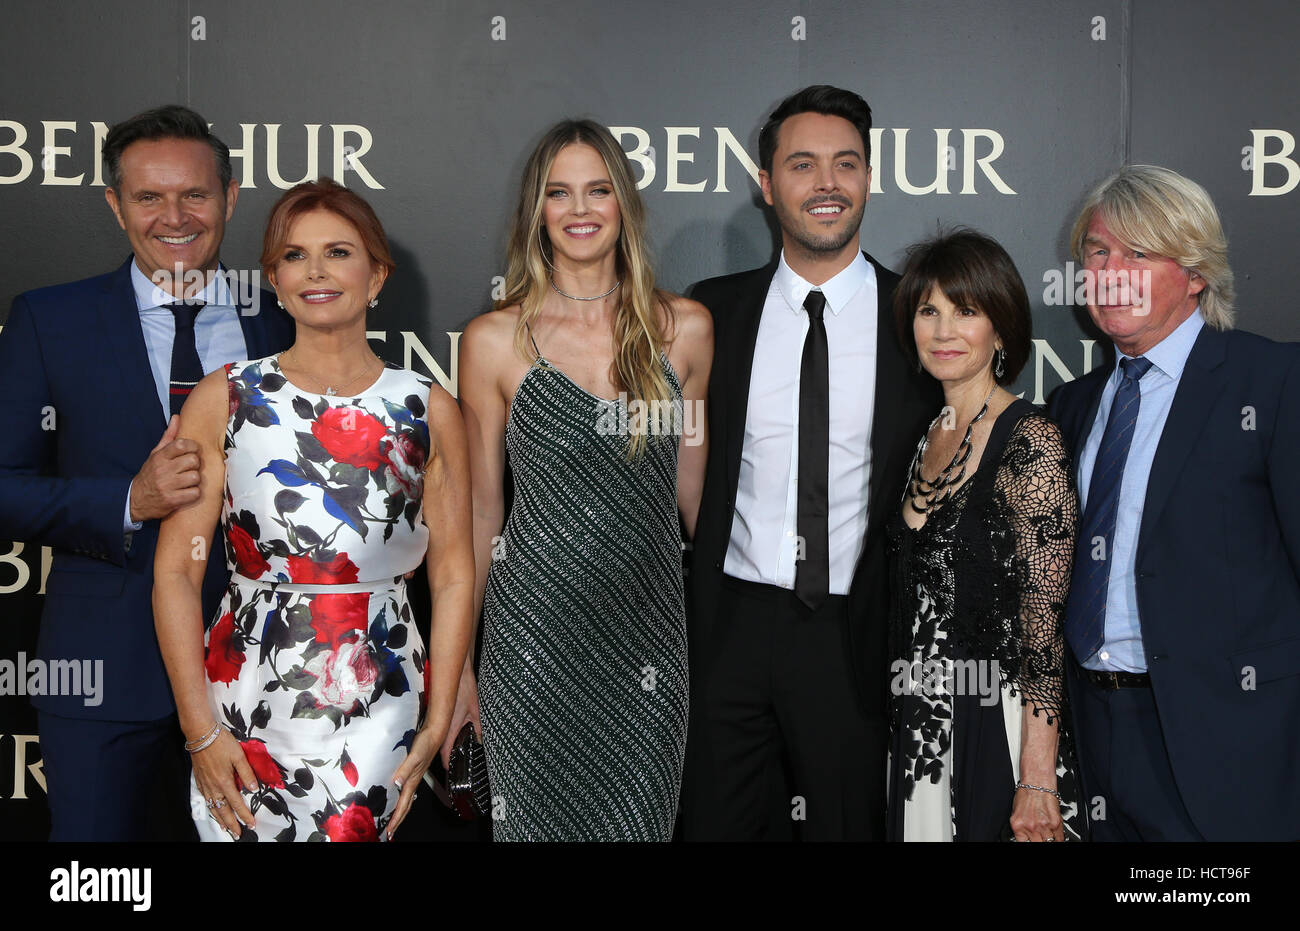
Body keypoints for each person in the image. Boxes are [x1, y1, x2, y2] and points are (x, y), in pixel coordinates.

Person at [0, 105, 294, 841]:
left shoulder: (290, 318)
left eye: (194, 194)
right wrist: (130, 498)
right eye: (148, 197)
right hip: (105, 674)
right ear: (114, 204)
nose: (174, 216)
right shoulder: (48, 320)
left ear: (229, 196)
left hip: (266, 675)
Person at [152, 177, 475, 841]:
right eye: (294, 256)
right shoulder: (225, 398)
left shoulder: (427, 408)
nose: (317, 271)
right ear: (273, 278)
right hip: (240, 702)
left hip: (381, 698)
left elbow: (452, 573)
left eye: (338, 251)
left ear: (378, 273)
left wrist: (437, 717)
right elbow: (178, 573)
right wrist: (199, 730)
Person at [681, 86, 941, 841]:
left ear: (868, 177)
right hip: (729, 622)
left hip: (856, 632)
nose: (826, 183)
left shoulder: (919, 317)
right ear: (768, 185)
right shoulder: (713, 311)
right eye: (802, 164)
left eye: (845, 163)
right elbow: (688, 462)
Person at [455, 119, 712, 841]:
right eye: (559, 192)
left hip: (648, 652)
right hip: (530, 648)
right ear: (536, 210)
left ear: (624, 203)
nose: (580, 209)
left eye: (598, 190)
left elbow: (696, 501)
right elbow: (482, 515)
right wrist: (460, 669)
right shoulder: (492, 340)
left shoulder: (685, 329)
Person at [1048, 165, 1300, 842]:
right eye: (1099, 252)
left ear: (1195, 274)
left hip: (1234, 746)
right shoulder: (1073, 405)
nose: (1112, 271)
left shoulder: (1273, 382)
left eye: (1138, 252)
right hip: (1096, 732)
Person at [886, 229, 1083, 842]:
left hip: (992, 723)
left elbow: (1042, 630)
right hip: (916, 718)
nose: (943, 332)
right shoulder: (923, 436)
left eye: (965, 311)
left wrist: (1037, 777)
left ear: (1000, 329)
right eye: (929, 311)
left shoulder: (1030, 442)